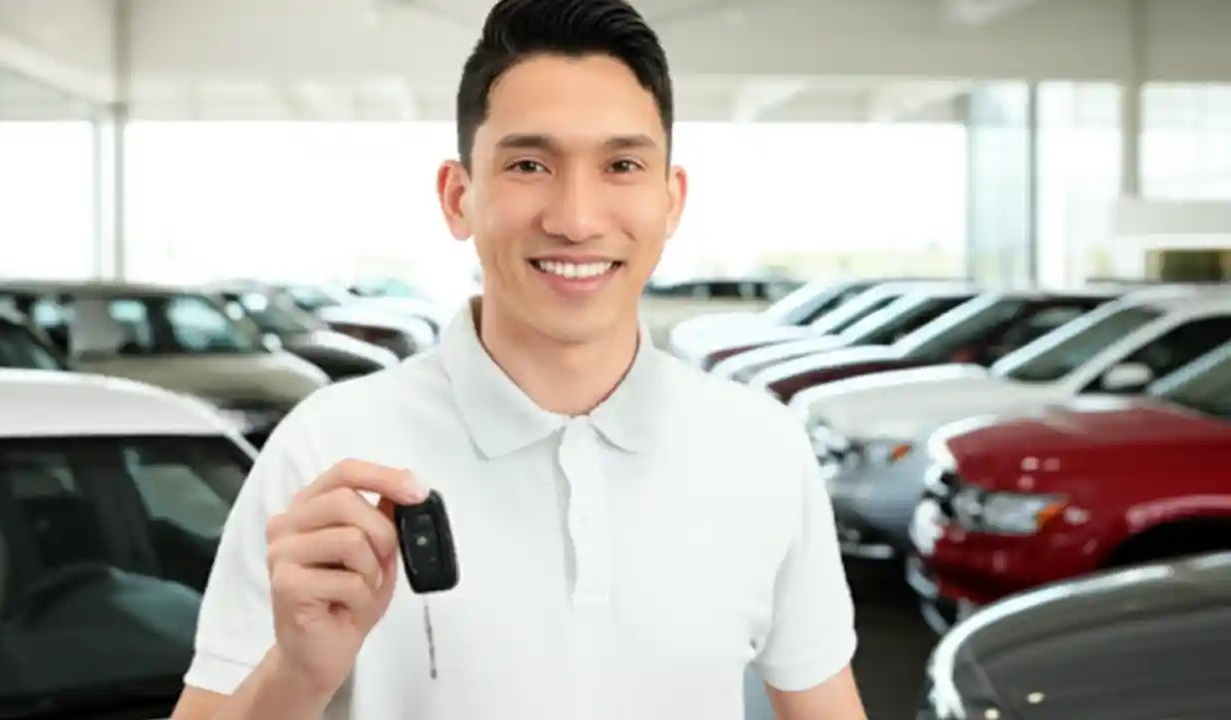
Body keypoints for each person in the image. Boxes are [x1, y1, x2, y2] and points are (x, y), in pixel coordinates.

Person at [169, 0, 867, 718]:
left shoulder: (764, 449)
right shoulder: (328, 451)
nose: (575, 218)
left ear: (671, 199)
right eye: (529, 164)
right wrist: (294, 676)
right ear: (458, 196)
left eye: (622, 164)